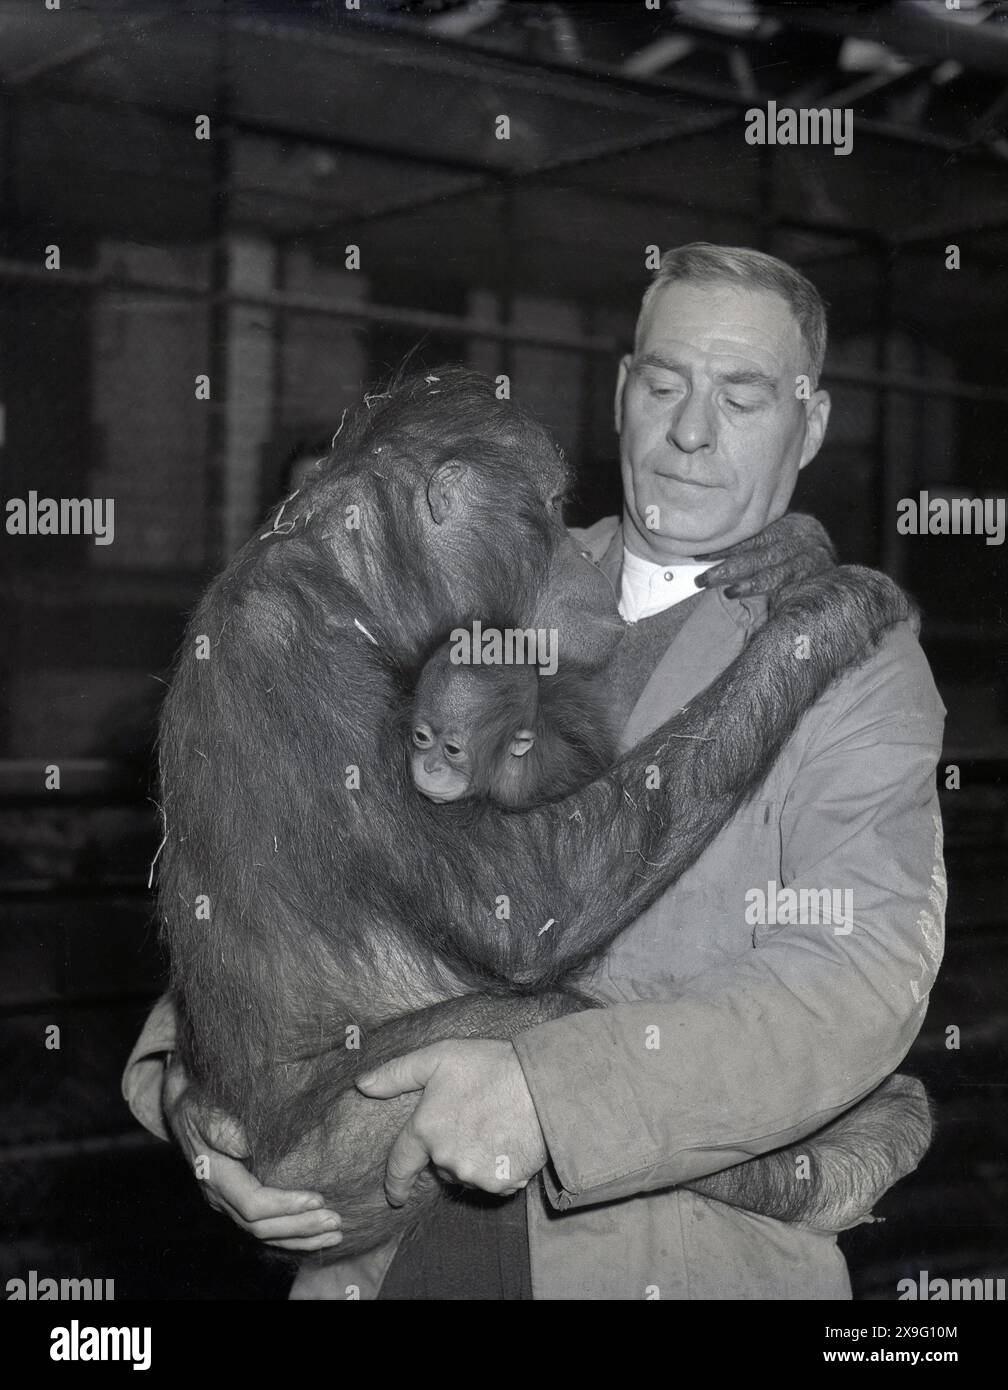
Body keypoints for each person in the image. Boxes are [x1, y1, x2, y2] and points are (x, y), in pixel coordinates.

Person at [123, 243, 946, 1299]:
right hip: (386, 1249)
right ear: (621, 392)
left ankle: (778, 1180)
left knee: (574, 1016)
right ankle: (789, 1175)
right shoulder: (481, 580)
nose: (691, 432)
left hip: (654, 1259)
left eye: (743, 396)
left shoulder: (866, 667)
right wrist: (196, 1093)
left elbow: (860, 975)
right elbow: (268, 882)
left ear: (811, 426)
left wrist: (550, 1094)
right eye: (665, 384)